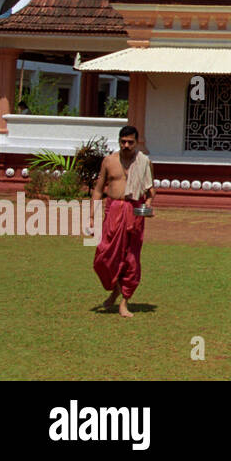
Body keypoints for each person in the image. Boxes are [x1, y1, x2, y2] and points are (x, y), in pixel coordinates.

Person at [91, 125, 155, 317]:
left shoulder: (144, 162)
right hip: (113, 211)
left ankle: (124, 301)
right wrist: (91, 216)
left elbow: (150, 192)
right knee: (104, 255)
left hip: (134, 211)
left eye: (130, 142)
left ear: (137, 142)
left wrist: (145, 209)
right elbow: (98, 189)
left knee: (131, 258)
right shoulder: (109, 161)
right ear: (119, 141)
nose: (126, 145)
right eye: (123, 141)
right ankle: (115, 289)